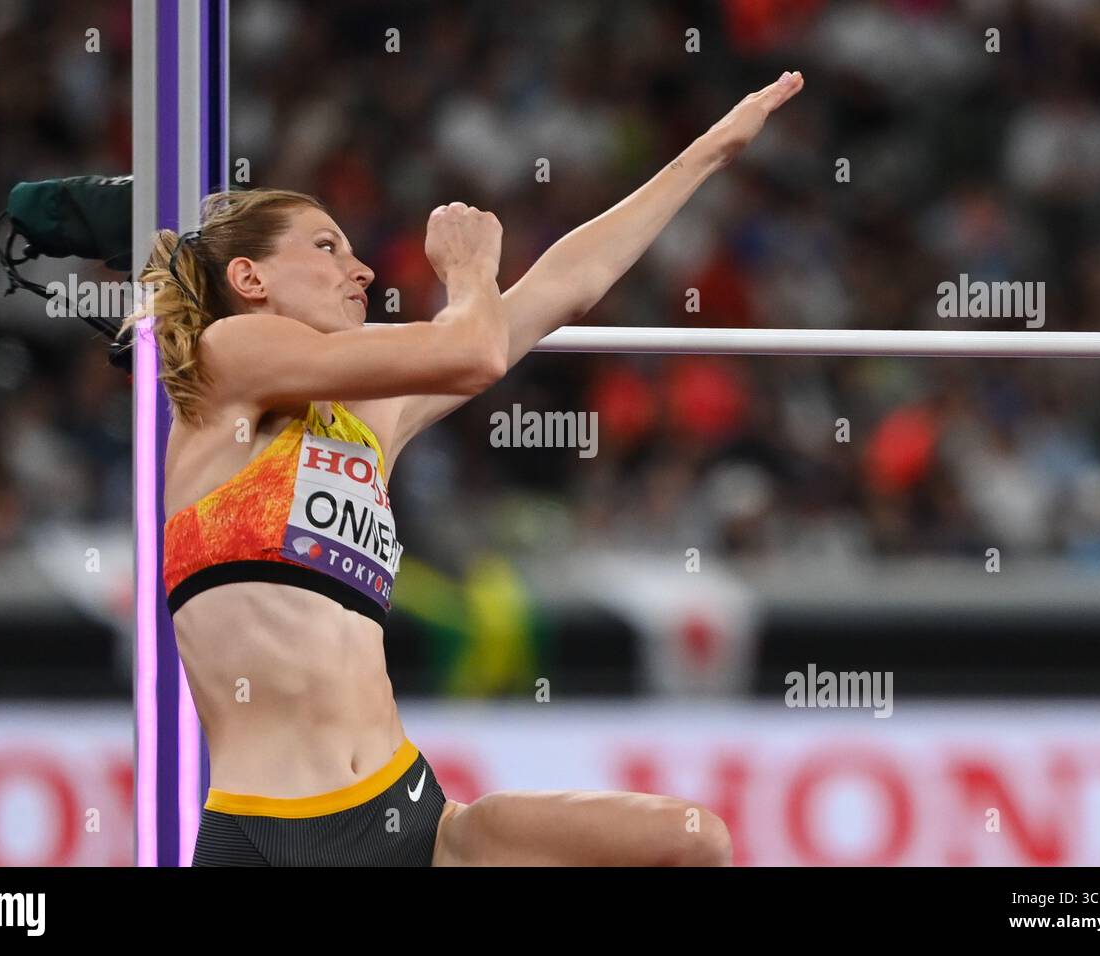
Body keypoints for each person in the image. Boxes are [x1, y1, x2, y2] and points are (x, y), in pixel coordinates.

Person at [121, 70, 803, 866]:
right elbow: (474, 350)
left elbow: (565, 284)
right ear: (251, 281)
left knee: (692, 843)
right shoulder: (227, 361)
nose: (362, 270)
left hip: (410, 817)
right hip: (272, 836)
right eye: (326, 247)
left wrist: (710, 153)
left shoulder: (367, 423)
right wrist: (470, 270)